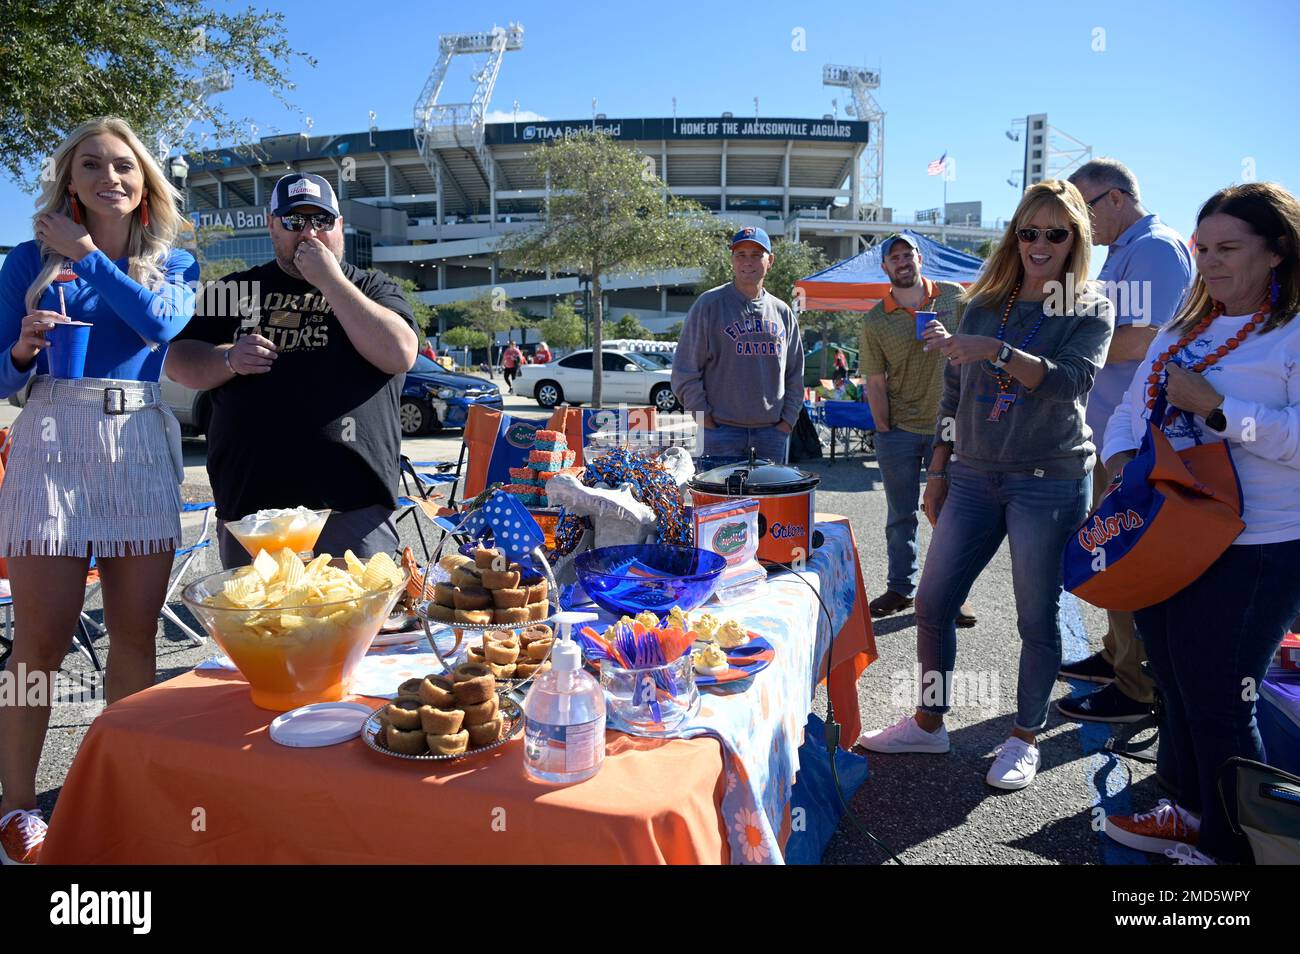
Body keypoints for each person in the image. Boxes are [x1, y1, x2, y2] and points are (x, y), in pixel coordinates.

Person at [858, 180, 1114, 793]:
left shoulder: (1090, 306)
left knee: (1036, 618)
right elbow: (953, 393)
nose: (1040, 243)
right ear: (1014, 236)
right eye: (1029, 231)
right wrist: (940, 467)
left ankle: (1024, 737)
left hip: (1047, 481)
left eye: (1056, 232)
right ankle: (929, 719)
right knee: (933, 603)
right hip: (971, 474)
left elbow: (1068, 383)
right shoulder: (982, 303)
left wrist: (995, 352)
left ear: (1076, 238)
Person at [0, 117, 198, 864]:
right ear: (71, 182)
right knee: (38, 645)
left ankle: (129, 791)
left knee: (135, 639)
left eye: (124, 165)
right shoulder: (26, 261)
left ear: (144, 183)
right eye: (92, 165)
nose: (109, 176)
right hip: (51, 440)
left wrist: (87, 258)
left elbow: (156, 327)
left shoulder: (176, 266)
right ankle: (18, 807)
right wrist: (19, 350)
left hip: (138, 443)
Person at [1101, 183, 1300, 865]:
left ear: (1276, 252)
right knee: (1179, 683)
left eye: (1229, 249)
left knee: (1221, 696)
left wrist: (1218, 408)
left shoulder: (1293, 331)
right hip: (1167, 536)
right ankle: (1186, 810)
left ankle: (1238, 851)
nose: (1211, 263)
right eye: (1203, 248)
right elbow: (1128, 413)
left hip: (1260, 546)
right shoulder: (1182, 327)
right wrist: (1131, 462)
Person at [165, 172, 417, 569]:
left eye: (321, 221)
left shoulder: (372, 287)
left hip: (352, 511)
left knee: (356, 627)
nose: (309, 233)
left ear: (340, 226)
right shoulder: (236, 289)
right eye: (294, 222)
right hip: (254, 515)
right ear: (271, 225)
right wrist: (228, 359)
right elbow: (178, 361)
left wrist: (330, 281)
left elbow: (400, 352)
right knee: (260, 627)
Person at [1058, 160, 1194, 724]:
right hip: (1112, 432)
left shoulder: (1156, 249)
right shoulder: (1125, 251)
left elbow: (1145, 340)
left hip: (1132, 440)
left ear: (1115, 198)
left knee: (1124, 556)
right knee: (1110, 553)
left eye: (1083, 207)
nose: (1078, 221)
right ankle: (1119, 657)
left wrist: (1070, 354)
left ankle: (1137, 687)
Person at [859, 233, 977, 628]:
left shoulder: (953, 297)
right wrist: (883, 428)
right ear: (885, 268)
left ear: (919, 258)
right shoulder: (875, 319)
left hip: (950, 425)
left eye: (907, 254)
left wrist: (950, 340)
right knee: (900, 514)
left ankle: (952, 593)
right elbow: (874, 380)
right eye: (894, 257)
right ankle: (900, 588)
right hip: (900, 430)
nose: (902, 262)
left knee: (950, 512)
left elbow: (977, 348)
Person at [672, 226, 805, 463]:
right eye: (741, 255)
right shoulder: (709, 305)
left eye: (756, 255)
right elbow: (685, 371)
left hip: (771, 435)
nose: (748, 262)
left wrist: (787, 422)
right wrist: (705, 420)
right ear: (732, 260)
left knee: (769, 501)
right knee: (720, 500)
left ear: (770, 260)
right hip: (720, 433)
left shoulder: (782, 313)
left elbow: (794, 374)